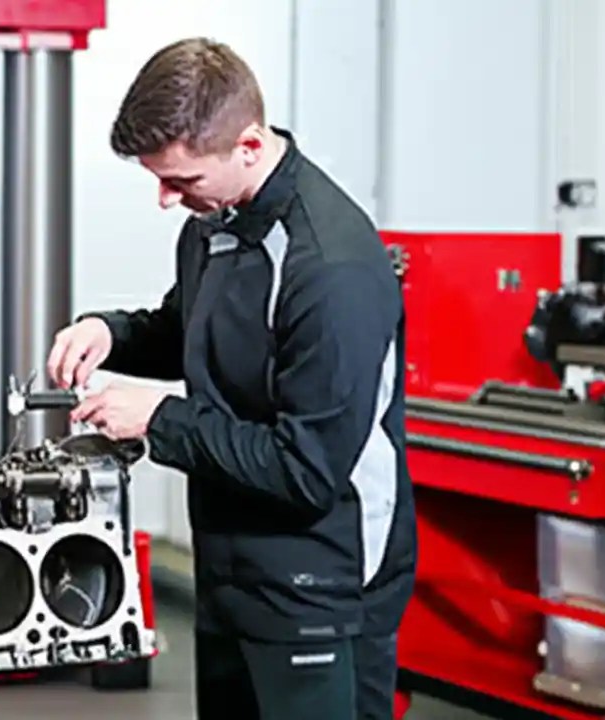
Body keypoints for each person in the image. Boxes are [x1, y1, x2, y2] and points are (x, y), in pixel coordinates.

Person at [45, 37, 416, 719]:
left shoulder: (331, 269)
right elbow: (191, 330)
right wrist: (110, 332)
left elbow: (305, 470)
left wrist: (159, 421)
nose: (165, 199)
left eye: (180, 181)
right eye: (157, 178)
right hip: (233, 574)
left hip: (320, 590)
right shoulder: (217, 219)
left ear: (248, 145)